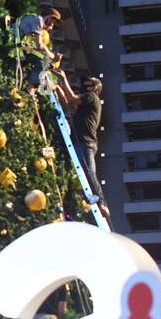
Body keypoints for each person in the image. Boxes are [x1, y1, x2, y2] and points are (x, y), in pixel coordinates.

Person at [55, 69, 110, 220]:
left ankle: (101, 202)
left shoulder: (92, 97)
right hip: (82, 142)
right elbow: (69, 104)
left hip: (86, 142)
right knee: (84, 172)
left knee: (89, 172)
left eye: (89, 84)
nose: (85, 85)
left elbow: (72, 98)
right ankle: (95, 201)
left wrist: (63, 78)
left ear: (94, 88)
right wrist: (59, 87)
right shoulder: (86, 103)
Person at [13, 7, 63, 91]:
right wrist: (53, 56)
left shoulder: (36, 20)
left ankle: (33, 84)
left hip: (19, 44)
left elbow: (36, 47)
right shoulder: (39, 21)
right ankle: (30, 87)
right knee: (45, 61)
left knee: (44, 60)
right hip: (14, 44)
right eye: (53, 22)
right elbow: (40, 46)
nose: (52, 25)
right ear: (49, 17)